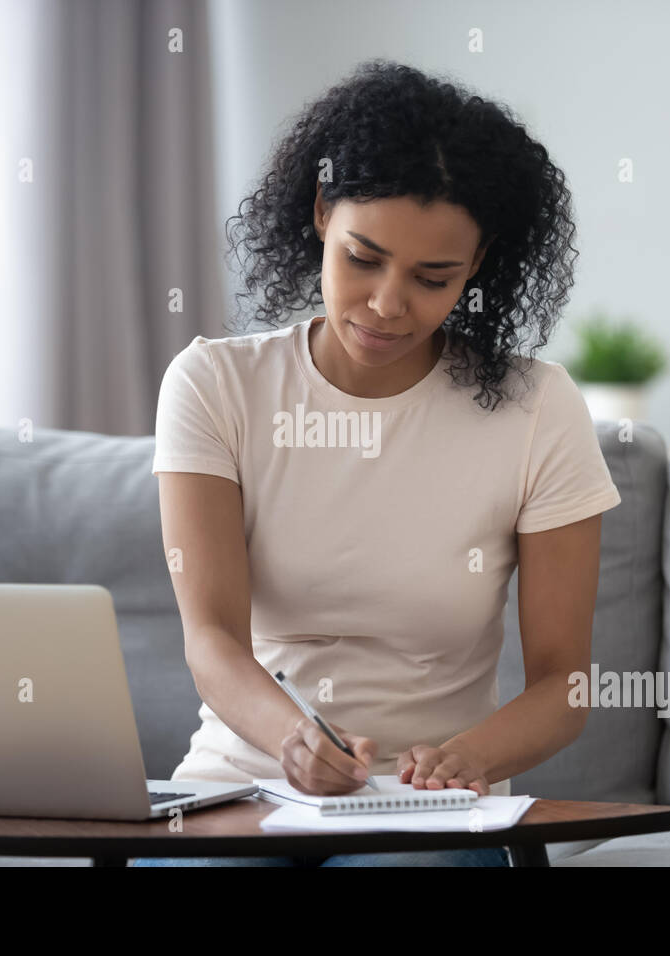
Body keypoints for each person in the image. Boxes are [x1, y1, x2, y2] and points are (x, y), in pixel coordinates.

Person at [132, 59, 620, 867]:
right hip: (242, 789)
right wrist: (296, 739)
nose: (390, 304)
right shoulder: (215, 385)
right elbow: (211, 639)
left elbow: (564, 686)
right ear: (322, 214)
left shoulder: (538, 408)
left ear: (479, 265)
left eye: (434, 279)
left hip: (427, 812)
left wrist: (473, 758)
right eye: (364, 258)